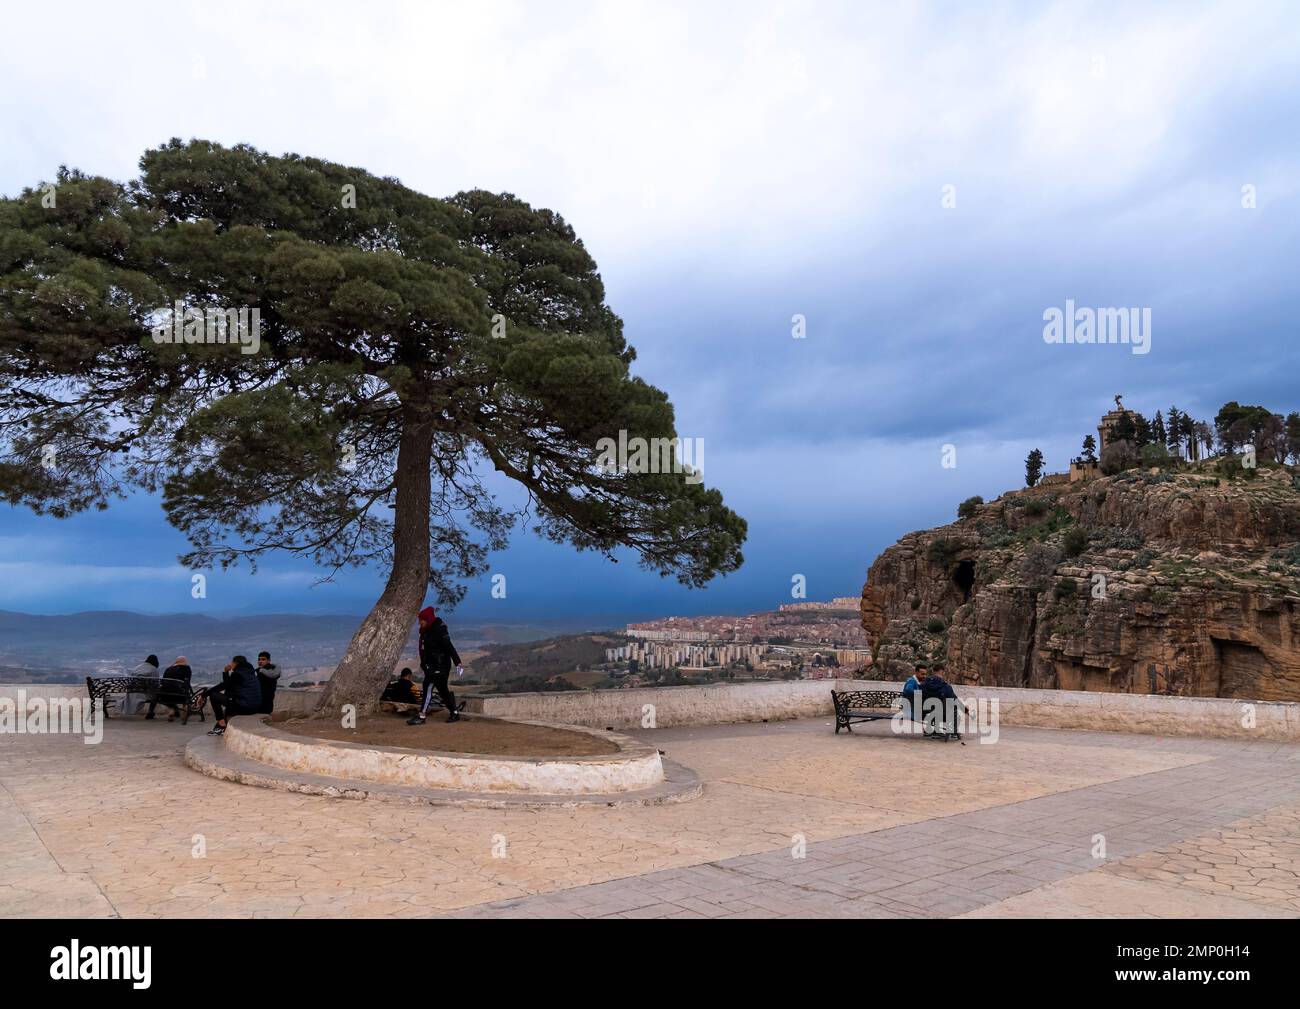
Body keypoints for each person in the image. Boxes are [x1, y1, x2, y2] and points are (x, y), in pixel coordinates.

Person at [407, 606, 464, 725]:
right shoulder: (426, 631)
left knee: (427, 687)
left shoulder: (439, 630)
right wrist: (424, 664)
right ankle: (454, 712)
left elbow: (449, 647)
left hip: (440, 666)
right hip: (432, 665)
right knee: (443, 690)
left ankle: (422, 716)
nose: (419, 623)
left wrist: (458, 662)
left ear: (428, 619)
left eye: (421, 620)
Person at [199, 655, 263, 736]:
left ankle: (222, 726)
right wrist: (226, 672)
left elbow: (222, 686)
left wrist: (203, 695)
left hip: (245, 707)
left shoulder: (238, 674)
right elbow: (229, 685)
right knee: (229, 698)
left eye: (232, 662)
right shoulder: (250, 673)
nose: (230, 664)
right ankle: (221, 726)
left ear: (235, 663)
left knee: (214, 695)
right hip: (254, 707)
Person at [919, 664, 976, 739]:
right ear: (942, 672)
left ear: (933, 671)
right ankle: (953, 732)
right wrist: (966, 711)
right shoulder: (944, 685)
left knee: (937, 708)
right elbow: (954, 699)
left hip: (924, 711)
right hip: (939, 713)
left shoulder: (924, 683)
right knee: (954, 713)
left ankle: (936, 731)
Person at [145, 656, 193, 721]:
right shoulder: (187, 669)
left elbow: (163, 682)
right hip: (180, 696)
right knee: (179, 694)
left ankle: (151, 712)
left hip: (165, 695)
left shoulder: (169, 669)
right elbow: (187, 683)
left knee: (159, 695)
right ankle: (176, 711)